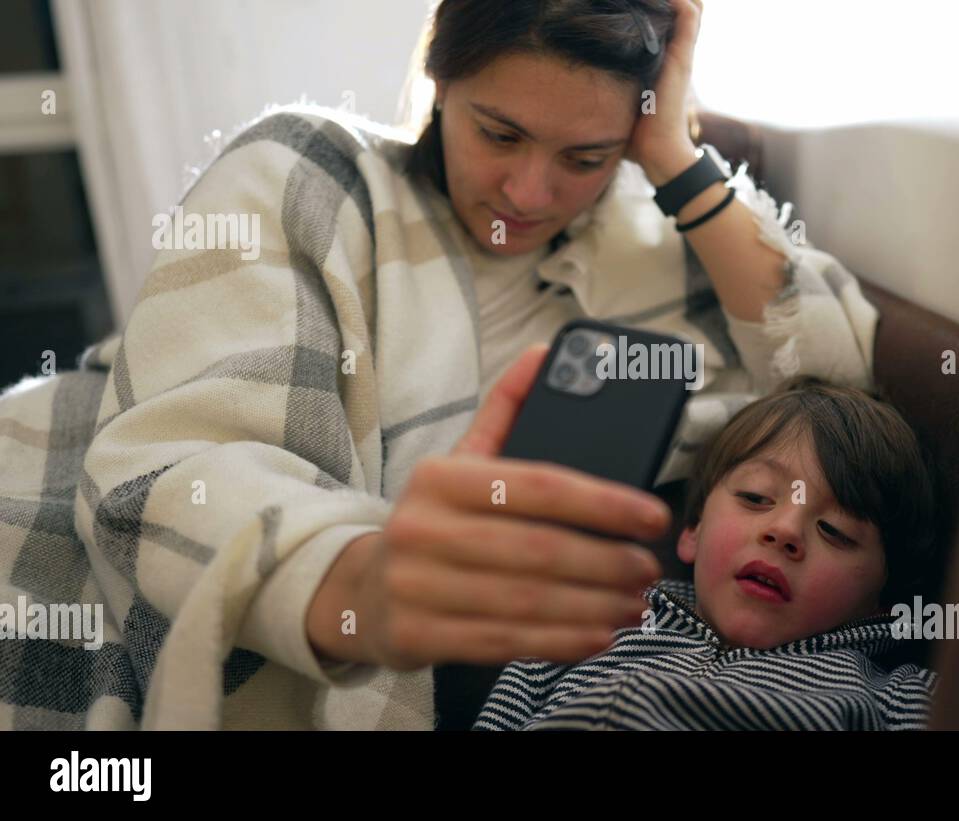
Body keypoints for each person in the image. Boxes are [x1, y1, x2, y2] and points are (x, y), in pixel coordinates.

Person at [0, 0, 882, 729]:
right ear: (440, 77)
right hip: (41, 507)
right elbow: (187, 458)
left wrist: (670, 157)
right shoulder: (312, 168)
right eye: (499, 133)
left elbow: (836, 373)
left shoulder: (659, 257)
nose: (530, 193)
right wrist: (360, 585)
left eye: (585, 156)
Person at [475, 376, 938, 730]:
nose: (784, 530)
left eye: (835, 530)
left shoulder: (896, 697)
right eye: (757, 497)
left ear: (884, 596)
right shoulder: (585, 628)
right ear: (692, 530)